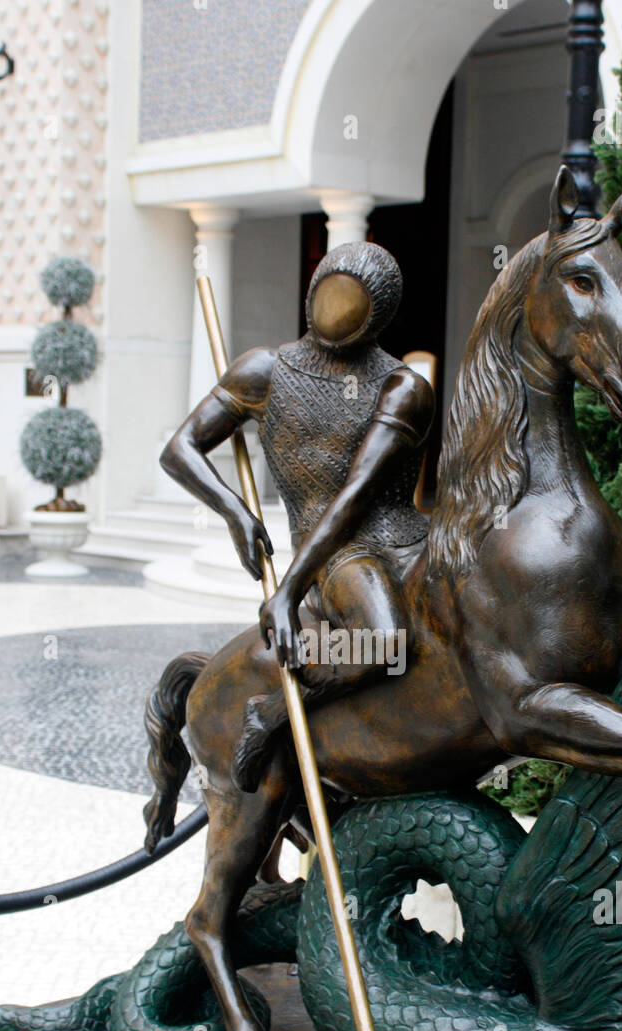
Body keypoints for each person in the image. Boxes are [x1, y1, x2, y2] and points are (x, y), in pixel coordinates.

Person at [161, 242, 435, 791]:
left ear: (379, 314)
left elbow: (362, 487)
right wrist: (235, 510)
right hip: (341, 553)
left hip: (412, 536)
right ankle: (275, 713)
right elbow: (181, 449)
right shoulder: (264, 370)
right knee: (385, 639)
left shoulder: (402, 386)